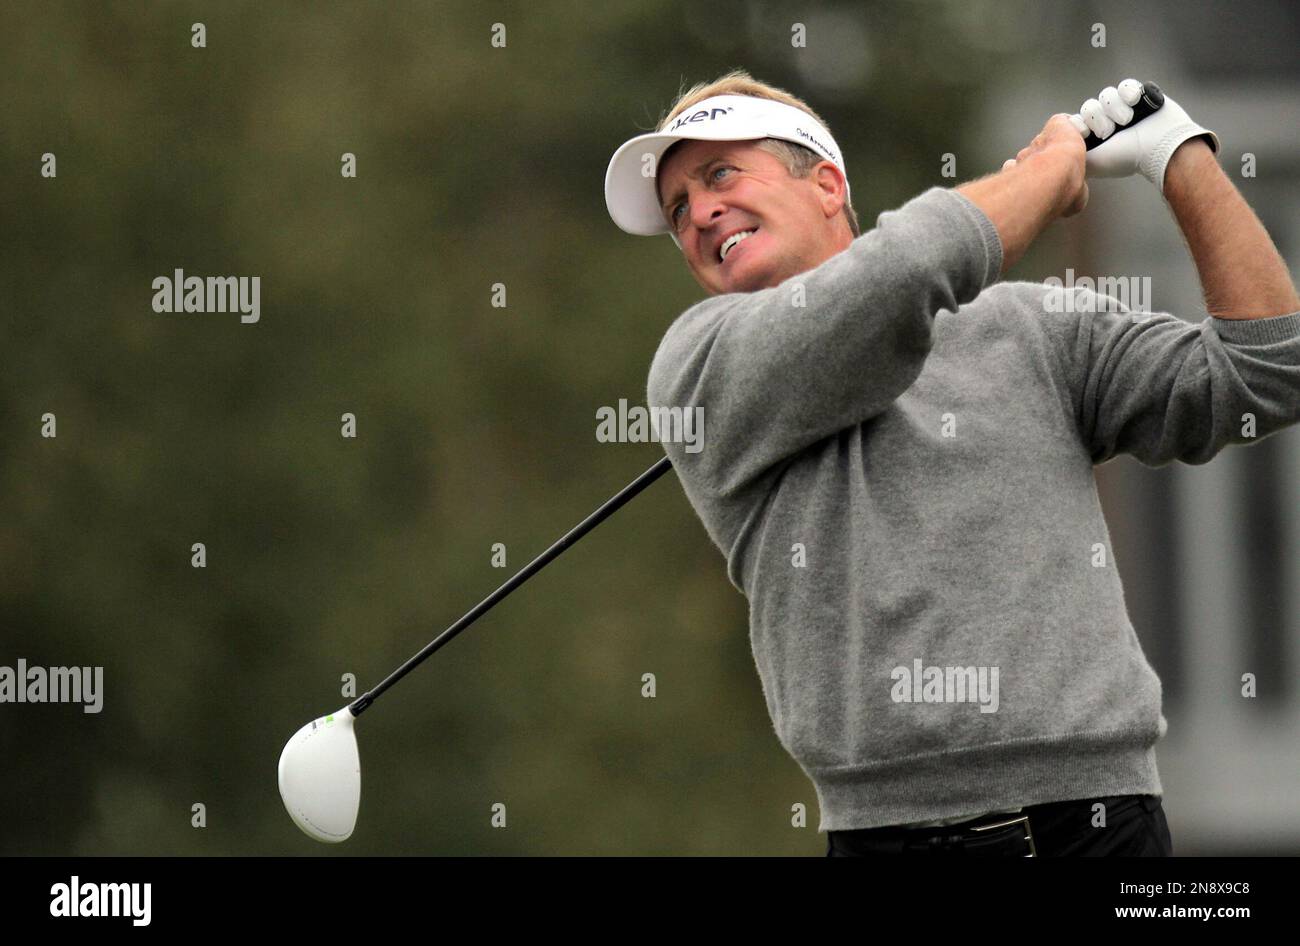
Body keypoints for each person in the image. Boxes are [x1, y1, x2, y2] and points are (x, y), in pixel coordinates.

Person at [603, 69, 1300, 856]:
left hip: (1097, 825)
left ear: (827, 183)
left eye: (718, 174)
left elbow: (1266, 371)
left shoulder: (1033, 329)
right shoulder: (697, 366)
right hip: (885, 838)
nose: (698, 213)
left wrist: (1180, 156)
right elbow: (899, 275)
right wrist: (1046, 173)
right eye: (677, 209)